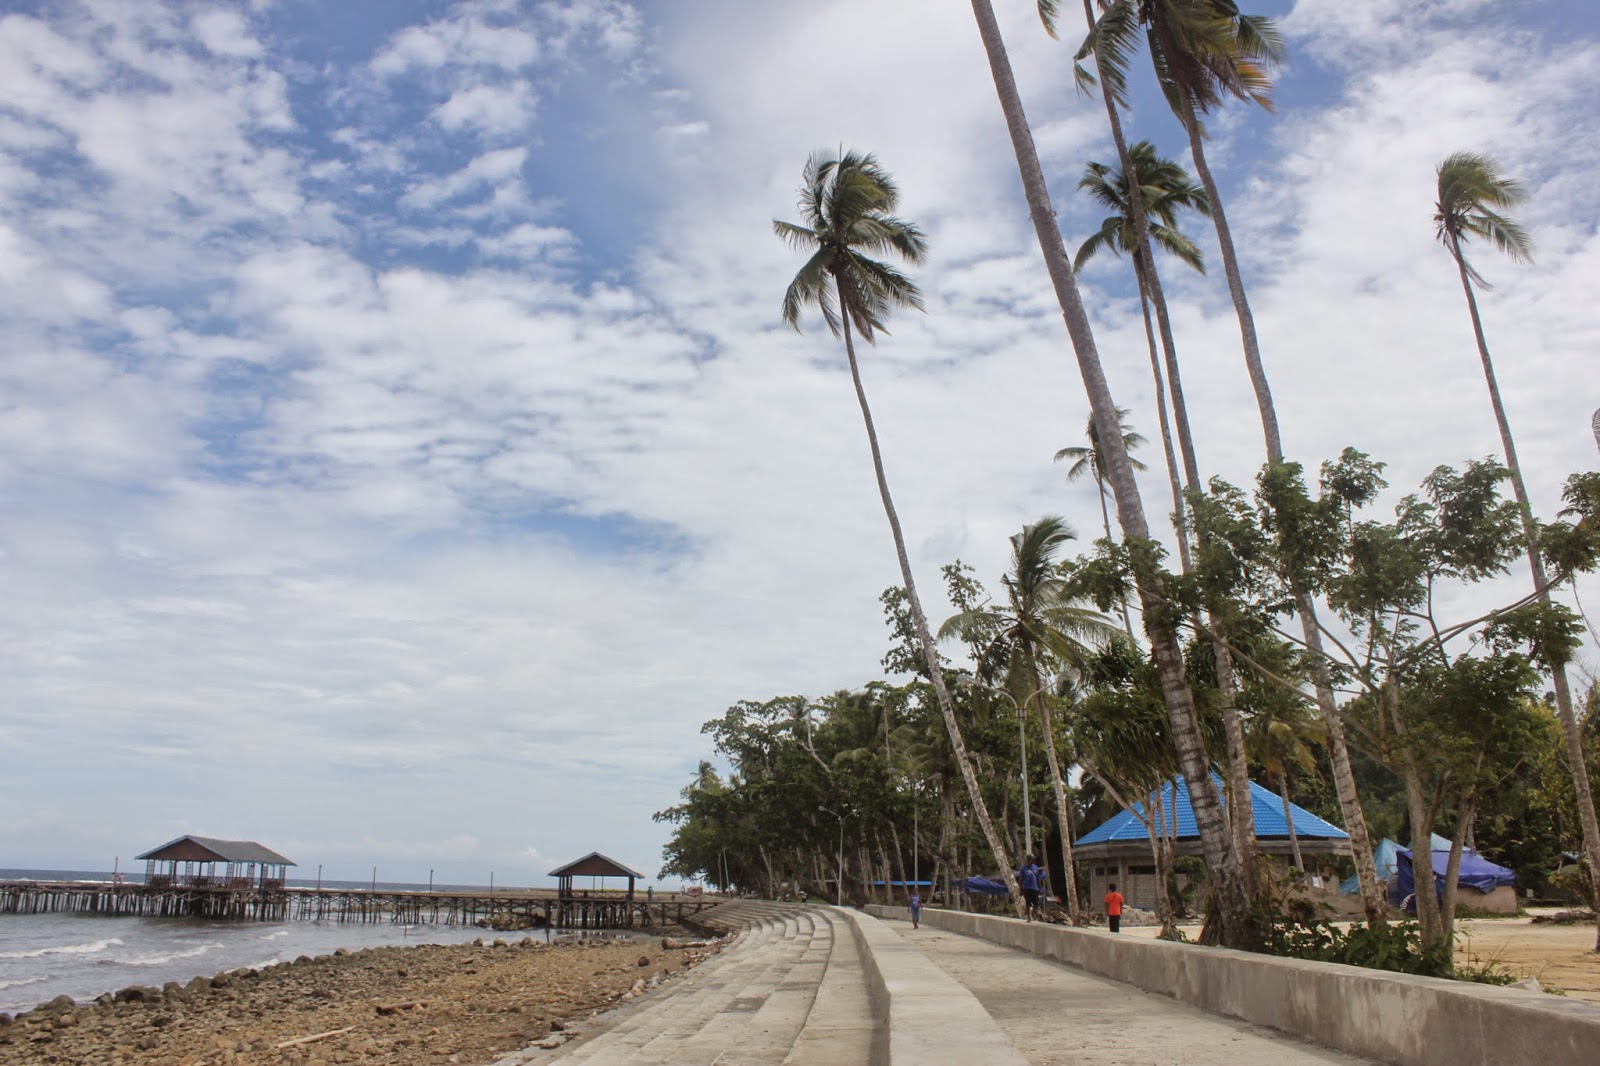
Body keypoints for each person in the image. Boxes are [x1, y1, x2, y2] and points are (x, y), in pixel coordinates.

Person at [1017, 856, 1043, 921]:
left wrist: (1040, 888)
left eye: (1033, 860)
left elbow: (1038, 878)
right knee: (1028, 903)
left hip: (1035, 888)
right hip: (1026, 888)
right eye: (1032, 860)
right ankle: (1028, 917)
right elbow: (1021, 879)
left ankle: (1033, 912)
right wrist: (1020, 889)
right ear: (1028, 860)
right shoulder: (1023, 868)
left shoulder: (1035, 867)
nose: (1033, 861)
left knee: (1036, 903)